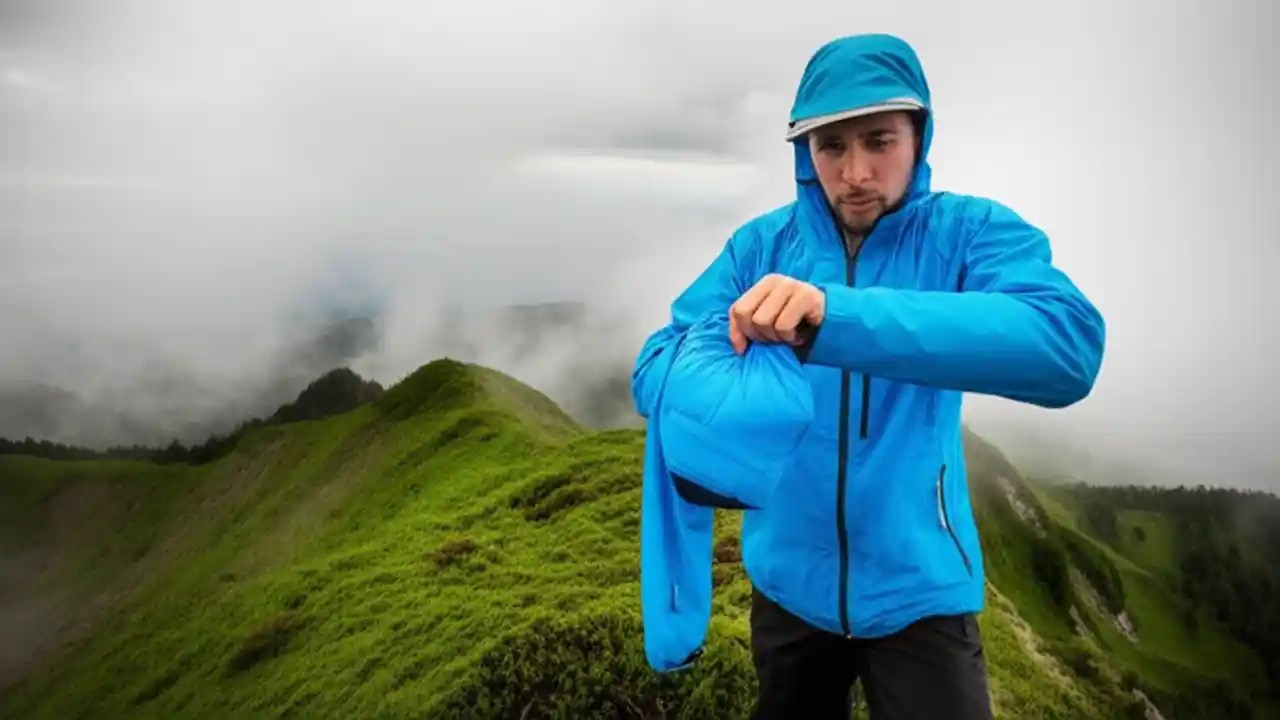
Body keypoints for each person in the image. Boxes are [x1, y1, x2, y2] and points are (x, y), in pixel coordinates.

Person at [631, 33, 1106, 719]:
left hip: (922, 589)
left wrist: (833, 318)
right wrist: (720, 362)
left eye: (879, 141)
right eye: (832, 146)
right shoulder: (761, 247)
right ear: (806, 153)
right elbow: (654, 368)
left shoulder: (969, 235)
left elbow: (1068, 348)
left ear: (919, 136)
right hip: (789, 584)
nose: (854, 172)